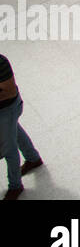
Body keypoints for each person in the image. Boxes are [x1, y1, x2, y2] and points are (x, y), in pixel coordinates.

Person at [0, 52, 44, 200]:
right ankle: (33, 159)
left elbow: (9, 92)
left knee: (8, 150)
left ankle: (15, 186)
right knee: (14, 131)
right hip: (6, 114)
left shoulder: (1, 62)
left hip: (7, 110)